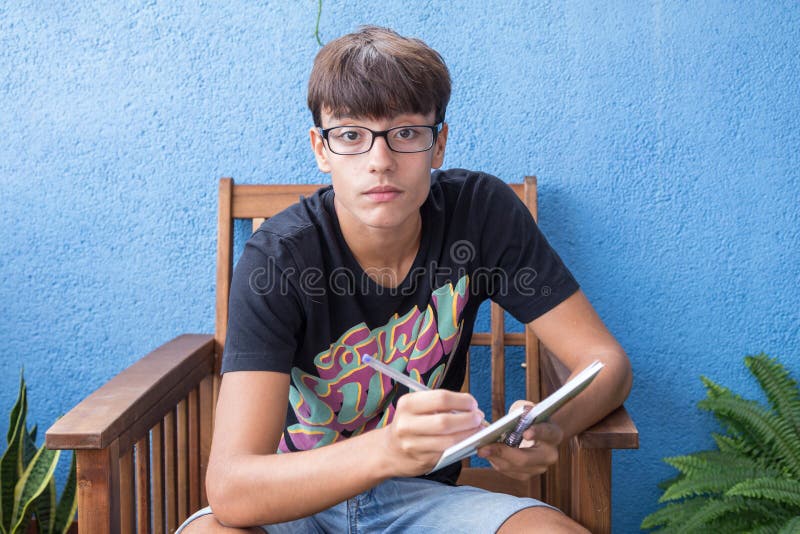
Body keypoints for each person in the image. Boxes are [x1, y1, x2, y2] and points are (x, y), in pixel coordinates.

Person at [179, 25, 632, 533]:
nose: (380, 162)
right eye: (351, 135)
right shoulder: (281, 259)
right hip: (294, 497)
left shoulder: (478, 217)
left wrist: (551, 428)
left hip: (422, 501)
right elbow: (234, 490)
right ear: (321, 149)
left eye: (406, 133)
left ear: (438, 145)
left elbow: (608, 364)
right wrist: (389, 446)